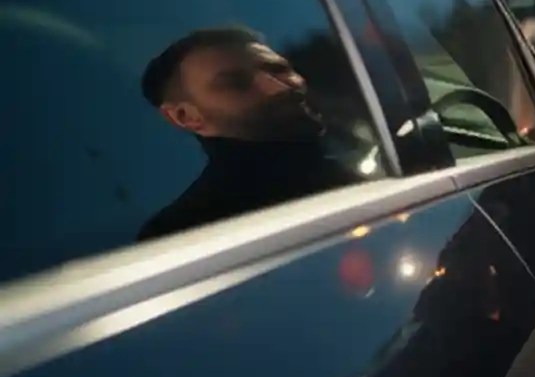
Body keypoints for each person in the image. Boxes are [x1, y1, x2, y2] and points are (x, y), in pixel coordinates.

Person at [138, 27, 369, 240]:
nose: (280, 87)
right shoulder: (182, 234)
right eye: (236, 83)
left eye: (280, 69)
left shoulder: (355, 155)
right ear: (184, 116)